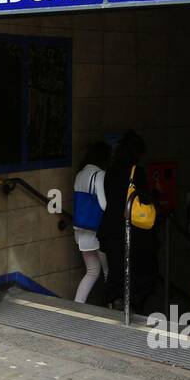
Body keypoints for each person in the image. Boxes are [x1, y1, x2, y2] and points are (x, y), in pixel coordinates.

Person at [96, 130, 160, 313]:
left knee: (117, 269)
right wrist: (156, 192)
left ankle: (115, 303)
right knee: (137, 270)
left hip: (109, 227)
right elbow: (144, 199)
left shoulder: (109, 171)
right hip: (130, 229)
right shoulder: (136, 171)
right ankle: (130, 308)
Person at [73, 142, 111, 303]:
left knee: (92, 271)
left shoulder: (80, 174)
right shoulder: (100, 174)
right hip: (97, 232)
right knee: (108, 272)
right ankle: (114, 311)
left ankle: (76, 307)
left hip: (81, 230)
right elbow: (103, 205)